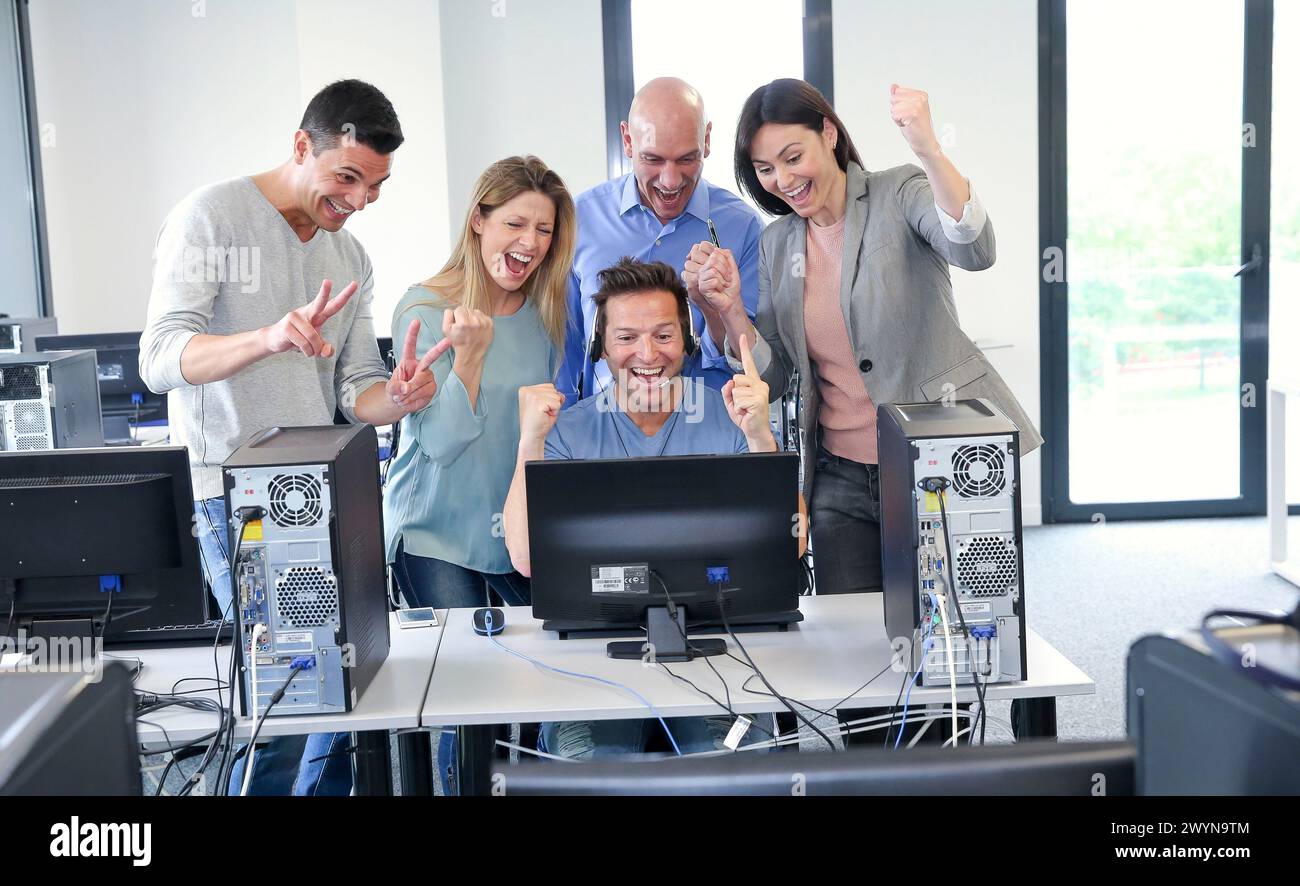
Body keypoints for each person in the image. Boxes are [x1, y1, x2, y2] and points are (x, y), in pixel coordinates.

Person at [140, 79, 442, 796]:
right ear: (302, 145)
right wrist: (267, 337)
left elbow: (353, 386)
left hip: (321, 498)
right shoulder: (210, 217)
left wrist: (394, 400)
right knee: (285, 693)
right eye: (348, 178)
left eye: (376, 186)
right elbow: (160, 359)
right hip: (233, 499)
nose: (361, 200)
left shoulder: (351, 258)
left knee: (338, 685)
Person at [693, 78, 1043, 600]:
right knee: (850, 639)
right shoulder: (777, 242)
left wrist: (927, 147)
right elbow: (777, 373)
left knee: (961, 625)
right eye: (765, 170)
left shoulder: (899, 192)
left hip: (938, 457)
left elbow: (974, 248)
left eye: (793, 157)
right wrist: (726, 310)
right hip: (840, 476)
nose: (782, 180)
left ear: (828, 134)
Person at [504, 258, 795, 758]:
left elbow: (794, 542)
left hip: (718, 648)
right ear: (601, 347)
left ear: (686, 342)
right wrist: (530, 442)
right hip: (591, 656)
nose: (646, 354)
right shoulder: (566, 431)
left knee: (735, 769)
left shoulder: (728, 416)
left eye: (663, 335)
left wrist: (759, 436)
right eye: (626, 337)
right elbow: (527, 558)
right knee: (592, 768)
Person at [383, 155, 575, 792]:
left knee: (551, 678)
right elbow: (438, 442)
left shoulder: (550, 310)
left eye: (543, 231)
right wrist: (469, 356)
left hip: (515, 535)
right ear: (478, 220)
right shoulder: (423, 306)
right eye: (515, 223)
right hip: (436, 531)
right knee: (470, 705)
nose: (529, 244)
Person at [556, 77, 764, 405]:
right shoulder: (578, 219)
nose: (670, 180)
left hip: (709, 439)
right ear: (627, 140)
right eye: (653, 160)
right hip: (603, 437)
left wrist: (714, 309)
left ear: (707, 140)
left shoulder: (744, 228)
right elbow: (564, 351)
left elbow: (751, 367)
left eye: (686, 159)